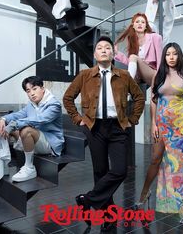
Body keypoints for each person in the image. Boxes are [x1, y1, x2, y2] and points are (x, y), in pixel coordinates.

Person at [63, 36, 145, 231]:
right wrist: (78, 119)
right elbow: (68, 98)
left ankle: (86, 199)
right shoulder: (84, 75)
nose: (103, 50)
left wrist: (132, 120)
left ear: (113, 53)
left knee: (119, 170)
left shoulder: (124, 76)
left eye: (107, 48)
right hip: (95, 128)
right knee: (100, 172)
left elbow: (139, 97)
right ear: (95, 54)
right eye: (99, 47)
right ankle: (108, 217)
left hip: (118, 128)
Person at [136, 43, 183, 226]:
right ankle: (144, 193)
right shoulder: (159, 75)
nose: (171, 57)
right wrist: (154, 124)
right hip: (163, 127)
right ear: (164, 57)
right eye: (168, 54)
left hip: (182, 127)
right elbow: (154, 101)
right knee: (155, 159)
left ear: (179, 56)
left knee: (182, 168)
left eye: (174, 54)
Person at [0, 76, 64, 182]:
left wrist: (14, 125)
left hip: (50, 144)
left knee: (26, 130)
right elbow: (19, 114)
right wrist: (3, 119)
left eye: (34, 89)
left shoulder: (54, 105)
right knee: (3, 127)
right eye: (28, 91)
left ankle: (29, 168)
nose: (32, 93)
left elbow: (40, 119)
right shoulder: (32, 105)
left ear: (42, 88)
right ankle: (2, 164)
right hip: (36, 140)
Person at [114, 13, 163, 86]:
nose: (140, 24)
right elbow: (130, 62)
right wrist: (117, 53)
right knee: (119, 79)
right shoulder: (132, 42)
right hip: (139, 75)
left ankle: (128, 83)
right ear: (133, 25)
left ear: (146, 26)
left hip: (152, 73)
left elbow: (160, 59)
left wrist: (161, 78)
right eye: (137, 22)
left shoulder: (155, 37)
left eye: (143, 22)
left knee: (133, 57)